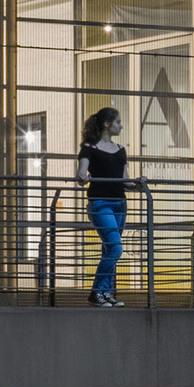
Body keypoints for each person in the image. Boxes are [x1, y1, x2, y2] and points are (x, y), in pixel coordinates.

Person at [76, 106, 138, 307]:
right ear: (107, 124)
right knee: (116, 248)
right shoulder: (89, 147)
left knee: (109, 250)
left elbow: (125, 181)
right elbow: (82, 173)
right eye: (118, 122)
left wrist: (139, 183)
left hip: (119, 203)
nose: (121, 126)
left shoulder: (120, 150)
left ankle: (106, 293)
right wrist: (82, 177)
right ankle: (96, 292)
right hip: (100, 202)